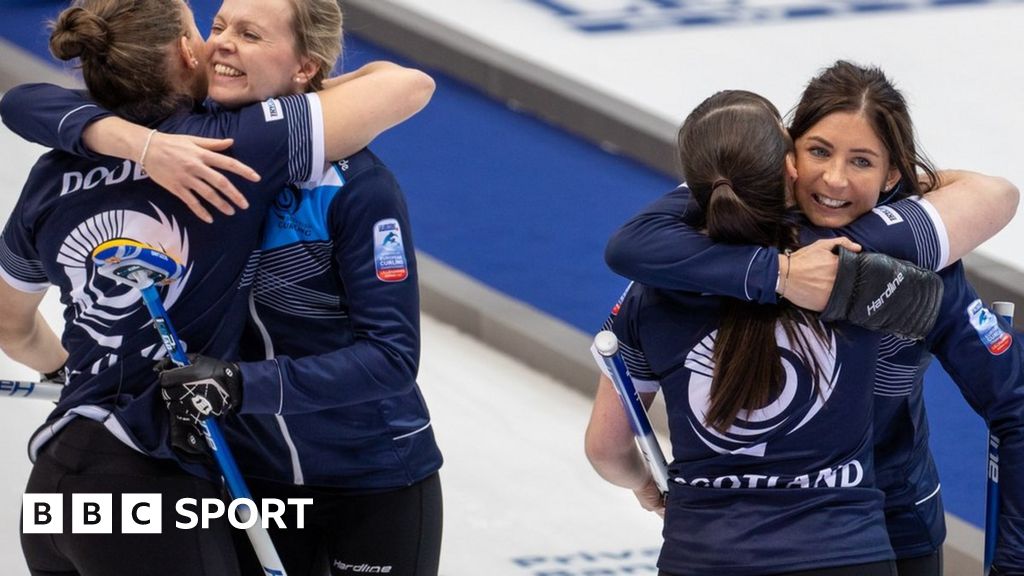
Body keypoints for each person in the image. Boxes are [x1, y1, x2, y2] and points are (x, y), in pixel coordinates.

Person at [3, 1, 445, 573]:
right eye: (215, 27)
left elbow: (391, 357)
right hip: (237, 473)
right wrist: (140, 144)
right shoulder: (203, 140)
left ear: (306, 67)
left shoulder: (350, 183)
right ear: (188, 50)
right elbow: (25, 102)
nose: (222, 43)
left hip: (367, 474)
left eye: (251, 34)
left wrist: (237, 386)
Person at [602, 61, 1023, 575]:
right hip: (837, 542)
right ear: (787, 157)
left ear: (894, 173)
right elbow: (994, 193)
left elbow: (1015, 402)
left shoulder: (915, 255)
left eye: (863, 161)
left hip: (893, 519)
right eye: (819, 151)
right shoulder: (910, 248)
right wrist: (777, 271)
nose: (835, 179)